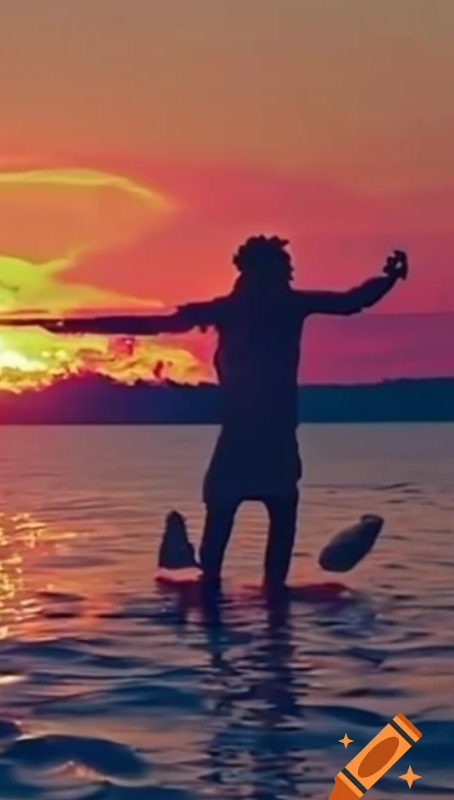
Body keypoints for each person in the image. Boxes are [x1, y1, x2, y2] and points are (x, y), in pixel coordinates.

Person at [39, 238, 409, 592]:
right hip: (260, 436)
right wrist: (71, 327)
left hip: (258, 437)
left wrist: (388, 279)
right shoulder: (272, 306)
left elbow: (351, 301)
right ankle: (253, 585)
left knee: (245, 513)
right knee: (257, 512)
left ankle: (228, 583)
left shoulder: (242, 308)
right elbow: (154, 324)